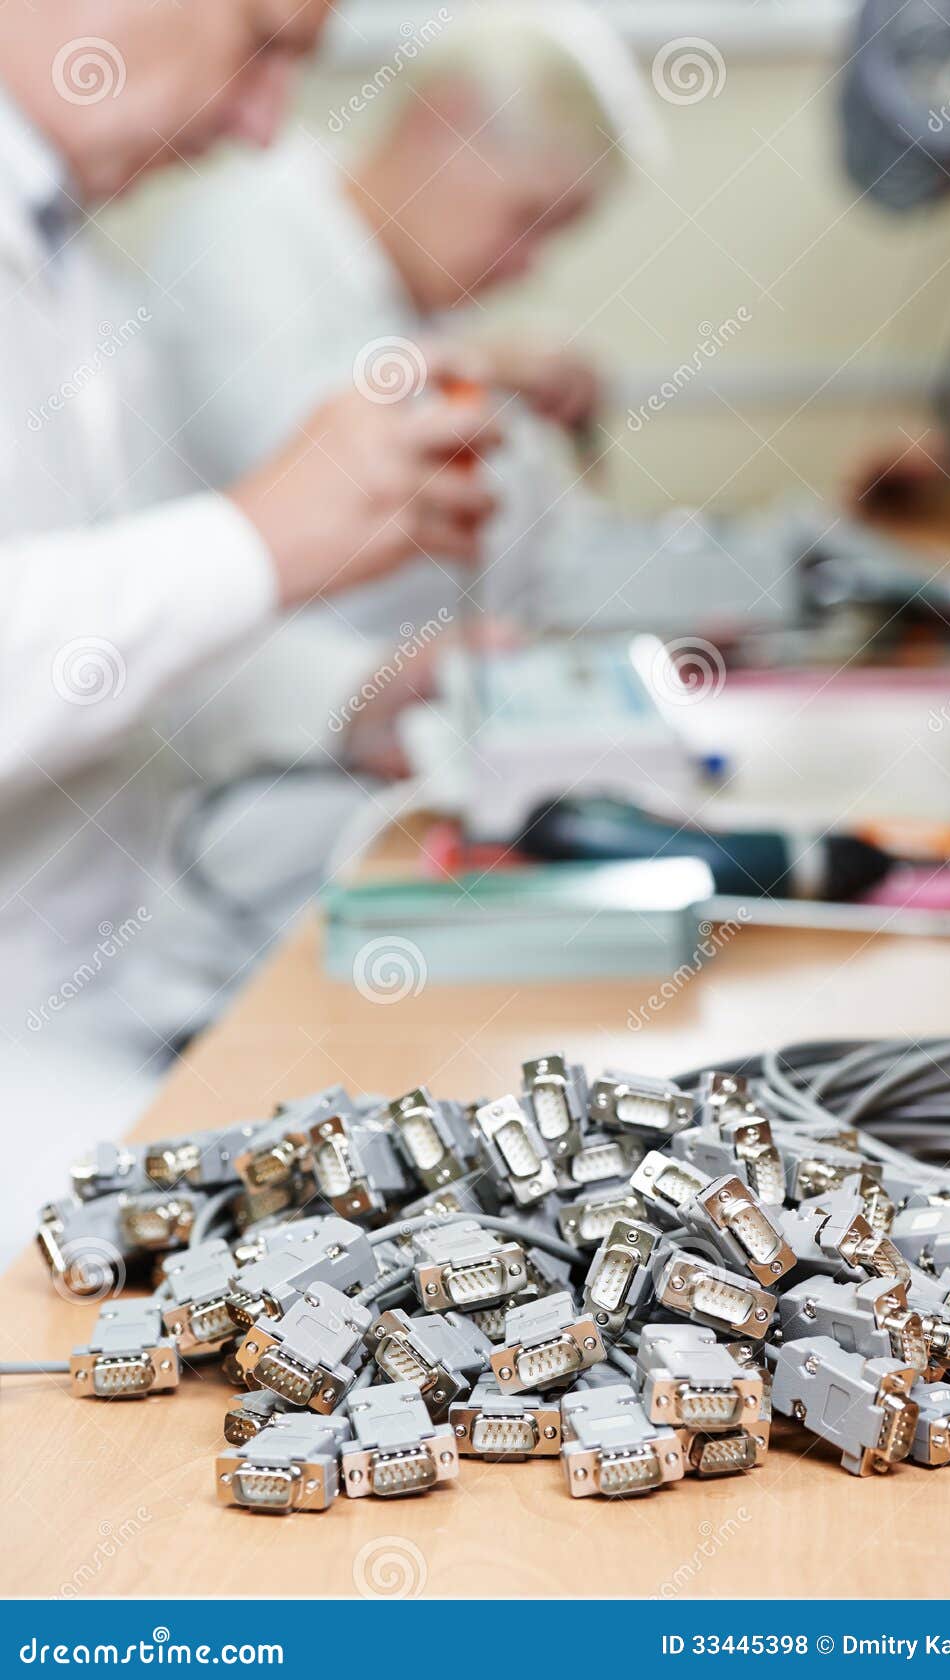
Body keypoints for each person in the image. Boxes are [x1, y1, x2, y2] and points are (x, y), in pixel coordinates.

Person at [0, 0, 503, 1257]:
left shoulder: (71, 272)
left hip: (114, 989)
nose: (264, 121)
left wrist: (363, 696)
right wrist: (258, 539)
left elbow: (128, 649)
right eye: (265, 42)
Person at [149, 1, 662, 636]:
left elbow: (544, 561)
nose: (529, 266)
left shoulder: (434, 309)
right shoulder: (242, 231)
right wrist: (485, 368)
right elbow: (314, 470)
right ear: (443, 121)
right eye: (527, 218)